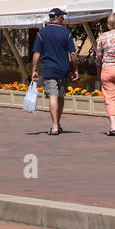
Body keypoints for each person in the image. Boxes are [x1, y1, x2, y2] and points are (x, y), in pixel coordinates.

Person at [31, 8, 79, 136]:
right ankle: (57, 124)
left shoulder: (42, 33)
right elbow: (73, 53)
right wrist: (75, 69)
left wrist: (34, 70)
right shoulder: (66, 33)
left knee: (53, 95)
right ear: (58, 18)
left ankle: (55, 125)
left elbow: (37, 53)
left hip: (49, 69)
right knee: (60, 96)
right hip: (63, 69)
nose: (63, 19)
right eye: (62, 17)